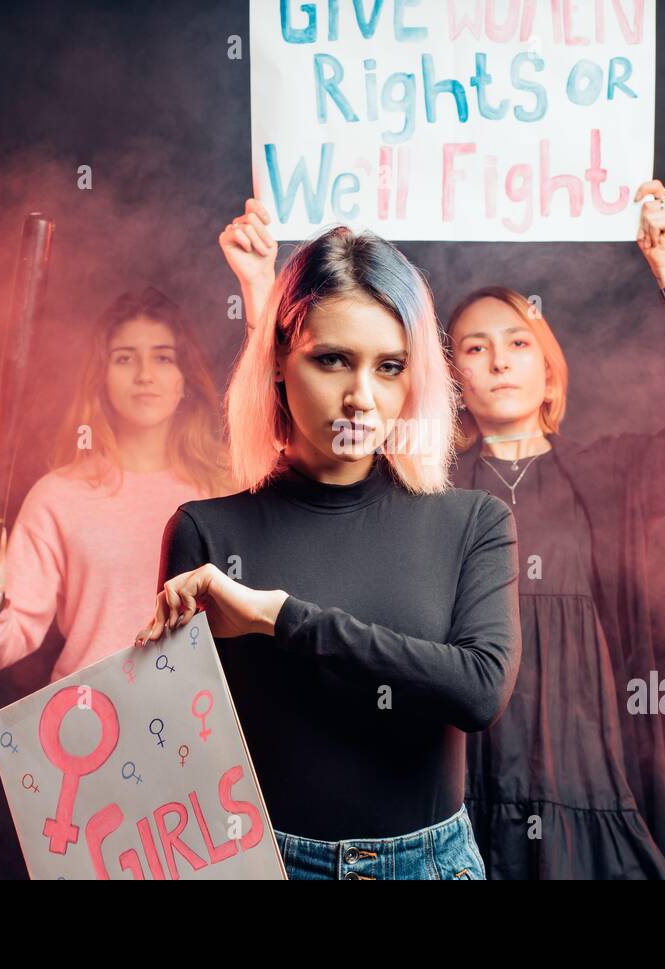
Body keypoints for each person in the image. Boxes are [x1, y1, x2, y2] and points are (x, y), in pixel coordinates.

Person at [137, 221, 521, 880]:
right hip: (266, 863)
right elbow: (179, 757)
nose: (361, 398)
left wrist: (278, 617)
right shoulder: (205, 534)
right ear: (280, 362)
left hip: (431, 865)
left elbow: (479, 692)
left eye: (390, 366)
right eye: (332, 359)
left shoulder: (473, 521)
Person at [447, 179, 665, 879]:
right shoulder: (433, 488)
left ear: (546, 367)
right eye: (475, 348)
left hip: (591, 754)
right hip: (473, 760)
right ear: (453, 379)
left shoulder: (609, 472)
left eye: (517, 341)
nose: (498, 360)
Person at [0, 287, 231, 682]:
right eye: (124, 359)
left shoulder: (225, 488)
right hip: (91, 721)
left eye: (163, 357)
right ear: (100, 378)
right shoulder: (58, 495)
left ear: (184, 379)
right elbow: (1, 646)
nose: (144, 375)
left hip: (200, 716)